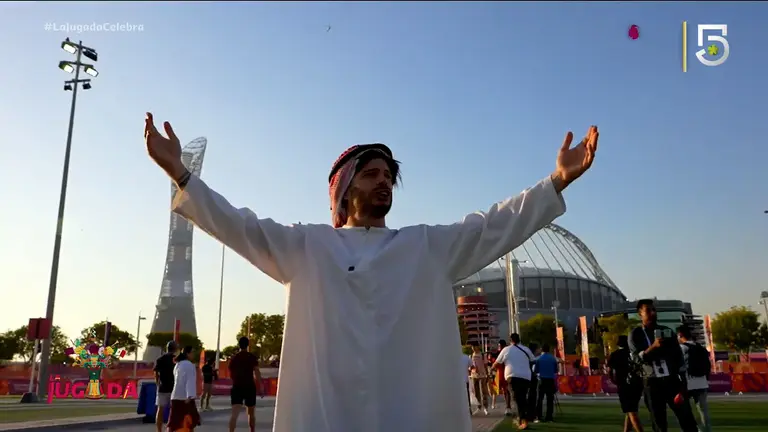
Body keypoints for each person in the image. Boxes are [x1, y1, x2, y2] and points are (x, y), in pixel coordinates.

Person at [144, 113, 599, 431]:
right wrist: (183, 176)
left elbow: (496, 224)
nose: (383, 180)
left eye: (388, 174)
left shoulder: (426, 246)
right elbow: (236, 224)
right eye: (371, 173)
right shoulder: (306, 245)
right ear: (343, 188)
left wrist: (555, 182)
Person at [628, 299, 698, 432]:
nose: (653, 313)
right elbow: (636, 359)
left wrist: (683, 386)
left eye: (654, 310)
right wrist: (653, 347)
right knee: (659, 422)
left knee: (687, 420)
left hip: (672, 381)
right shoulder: (635, 334)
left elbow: (679, 359)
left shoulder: (667, 331)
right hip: (652, 382)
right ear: (640, 314)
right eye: (648, 310)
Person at [494, 333, 535, 430]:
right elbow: (533, 360)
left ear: (510, 340)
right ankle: (523, 418)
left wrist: (492, 369)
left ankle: (522, 420)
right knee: (522, 397)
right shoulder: (526, 349)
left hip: (512, 377)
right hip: (526, 377)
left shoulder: (506, 349)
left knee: (516, 398)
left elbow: (496, 363)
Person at [677, 325, 712, 432]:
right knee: (703, 411)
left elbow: (679, 366)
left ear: (680, 335)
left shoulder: (682, 348)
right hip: (702, 382)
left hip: (688, 383)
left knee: (685, 411)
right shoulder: (700, 347)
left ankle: (693, 429)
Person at [608, 335, 644, 432]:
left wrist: (613, 380)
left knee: (631, 411)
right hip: (637, 384)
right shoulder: (633, 353)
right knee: (631, 410)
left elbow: (610, 371)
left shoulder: (615, 355)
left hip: (624, 385)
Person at [228, 337, 263, 432]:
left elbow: (231, 373)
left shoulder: (234, 358)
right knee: (251, 413)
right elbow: (257, 372)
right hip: (249, 386)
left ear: (238, 344)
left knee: (234, 414)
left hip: (237, 386)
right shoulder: (251, 357)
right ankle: (252, 430)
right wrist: (260, 386)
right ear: (248, 345)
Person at [167, 346, 201, 431]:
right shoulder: (189, 365)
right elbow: (190, 381)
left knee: (174, 423)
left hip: (175, 396)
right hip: (185, 398)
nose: (194, 354)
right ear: (187, 353)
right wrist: (190, 396)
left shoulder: (178, 365)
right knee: (191, 421)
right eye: (192, 352)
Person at [153, 341, 177, 432]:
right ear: (175, 349)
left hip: (162, 387)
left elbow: (156, 372)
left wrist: (157, 383)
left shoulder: (160, 359)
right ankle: (170, 429)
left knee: (160, 409)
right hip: (173, 387)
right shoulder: (176, 359)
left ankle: (159, 430)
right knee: (173, 410)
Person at [534, 344, 558, 423]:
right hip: (550, 380)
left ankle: (538, 416)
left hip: (542, 380)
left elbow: (536, 370)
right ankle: (549, 417)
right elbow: (556, 370)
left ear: (542, 350)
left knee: (540, 399)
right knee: (550, 399)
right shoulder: (553, 358)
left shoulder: (539, 359)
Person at [469, 342, 490, 415]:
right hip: (474, 376)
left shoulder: (482, 355)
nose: (473, 348)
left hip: (482, 375)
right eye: (472, 347)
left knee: (483, 392)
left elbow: (485, 365)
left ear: (478, 347)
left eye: (474, 346)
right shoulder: (471, 355)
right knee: (476, 392)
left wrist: (487, 374)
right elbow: (470, 366)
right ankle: (479, 406)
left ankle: (486, 407)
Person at [493, 340, 509, 413]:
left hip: (505, 373)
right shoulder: (498, 353)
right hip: (499, 374)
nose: (499, 347)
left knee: (506, 391)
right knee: (498, 390)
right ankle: (494, 404)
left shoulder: (505, 353)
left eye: (500, 346)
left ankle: (508, 406)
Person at [525, 343, 539, 423]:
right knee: (532, 397)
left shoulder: (527, 356)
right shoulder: (533, 358)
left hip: (527, 378)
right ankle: (532, 415)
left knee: (530, 397)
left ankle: (529, 415)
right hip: (531, 379)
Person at [462, 349, 473, 415]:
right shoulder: (466, 357)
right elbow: (472, 366)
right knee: (467, 395)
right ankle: (469, 409)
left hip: (457, 381)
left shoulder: (453, 358)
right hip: (465, 379)